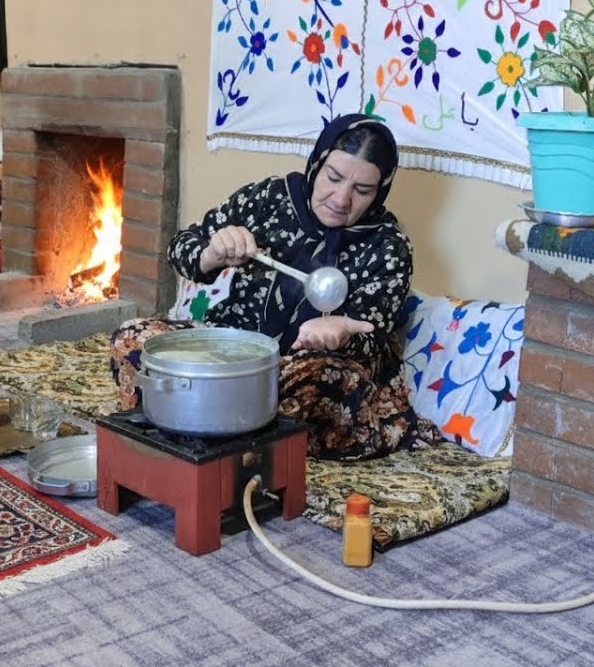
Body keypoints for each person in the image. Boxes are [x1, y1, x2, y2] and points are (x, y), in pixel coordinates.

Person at [111, 114, 438, 461]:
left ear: (380, 191)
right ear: (317, 162)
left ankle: (208, 438)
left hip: (307, 370)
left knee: (304, 380)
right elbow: (181, 248)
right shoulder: (269, 198)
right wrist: (211, 254)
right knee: (134, 338)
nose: (341, 199)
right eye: (334, 177)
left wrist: (344, 334)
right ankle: (198, 434)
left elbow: (372, 344)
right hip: (231, 352)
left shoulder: (388, 246)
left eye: (362, 190)